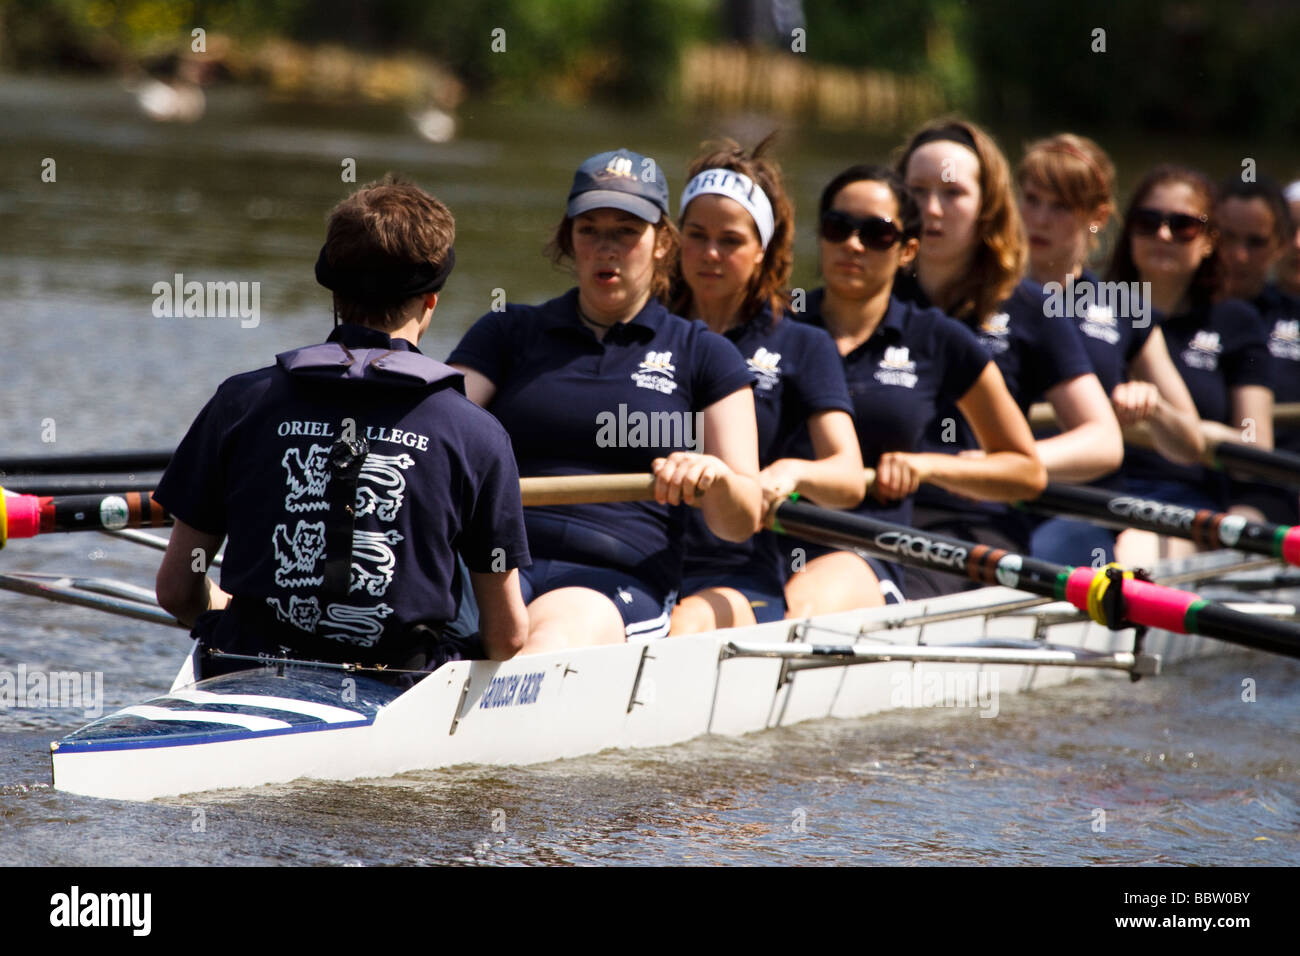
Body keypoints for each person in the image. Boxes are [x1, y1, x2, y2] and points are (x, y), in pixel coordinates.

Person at [155, 175, 530, 681]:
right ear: (431, 300)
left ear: (332, 288)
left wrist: (219, 609)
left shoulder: (239, 402)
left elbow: (178, 590)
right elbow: (507, 638)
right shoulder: (478, 435)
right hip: (397, 683)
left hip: (246, 665)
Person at [449, 148, 763, 652]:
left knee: (546, 641)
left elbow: (741, 519)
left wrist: (717, 479)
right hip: (497, 560)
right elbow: (437, 427)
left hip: (612, 577)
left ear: (662, 242)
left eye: (625, 231)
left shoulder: (706, 355)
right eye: (589, 229)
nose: (605, 248)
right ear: (569, 239)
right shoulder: (507, 332)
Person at [780, 165, 1044, 615]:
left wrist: (925, 466)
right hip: (772, 535)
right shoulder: (779, 326)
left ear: (908, 250)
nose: (853, 244)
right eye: (837, 227)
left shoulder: (937, 339)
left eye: (876, 234)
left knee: (799, 603)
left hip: (869, 548)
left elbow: (1025, 471)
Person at [891, 119, 1122, 597]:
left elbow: (1103, 441)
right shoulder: (865, 296)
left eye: (952, 193)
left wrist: (1006, 463)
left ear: (988, 207)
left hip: (971, 525)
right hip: (867, 511)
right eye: (916, 191)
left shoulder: (1029, 309)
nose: (931, 209)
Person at [667, 139, 865, 632]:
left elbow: (848, 477)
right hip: (638, 559)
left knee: (684, 623)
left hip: (735, 570)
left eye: (731, 240)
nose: (710, 253)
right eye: (696, 235)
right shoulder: (644, 332)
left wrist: (791, 473)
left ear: (763, 251)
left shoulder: (802, 344)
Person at [1016, 134, 1204, 565]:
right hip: (991, 494)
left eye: (1060, 206)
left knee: (1056, 548)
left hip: (1080, 509)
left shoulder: (1126, 309)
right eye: (1030, 199)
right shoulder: (987, 295)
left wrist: (1152, 406)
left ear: (1097, 217)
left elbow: (1190, 444)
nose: (1038, 219)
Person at [1110, 166, 1274, 564]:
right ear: (1128, 232)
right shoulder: (1091, 310)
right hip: (1095, 489)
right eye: (1148, 222)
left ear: (1207, 242)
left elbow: (1256, 448)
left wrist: (1181, 427)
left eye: (1182, 226)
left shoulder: (1235, 323)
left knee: (1134, 550)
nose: (1163, 235)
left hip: (1183, 498)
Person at [1213, 174, 1300, 524]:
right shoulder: (1168, 312)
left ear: (1278, 247)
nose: (1238, 256)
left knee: (1241, 521)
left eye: (1255, 243)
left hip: (1274, 485)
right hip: (1185, 476)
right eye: (1227, 238)